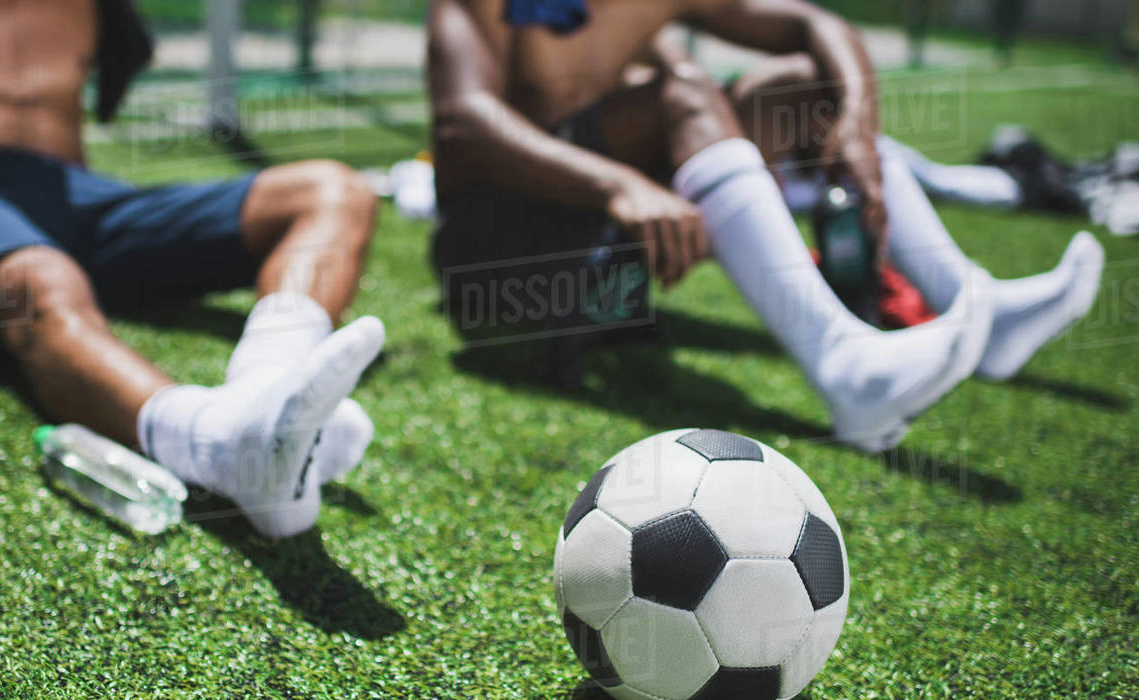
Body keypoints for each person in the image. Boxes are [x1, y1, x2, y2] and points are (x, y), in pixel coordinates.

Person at [427, 0, 1103, 453]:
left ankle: (974, 306)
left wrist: (858, 130)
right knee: (685, 94)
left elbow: (816, 26)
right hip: (497, 264)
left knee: (797, 91)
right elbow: (462, 120)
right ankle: (846, 366)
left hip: (604, 248)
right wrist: (620, 183)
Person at [0, 0, 385, 538]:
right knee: (42, 281)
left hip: (77, 196)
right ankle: (218, 444)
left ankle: (266, 397)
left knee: (334, 190)